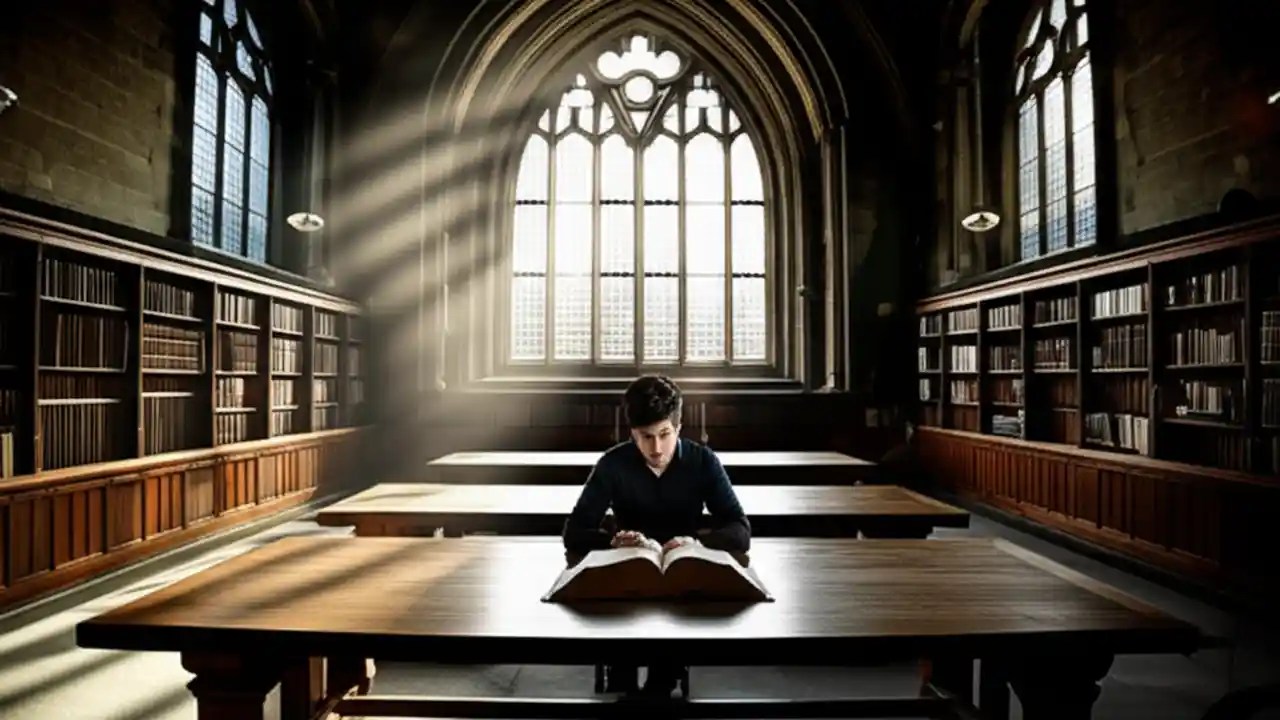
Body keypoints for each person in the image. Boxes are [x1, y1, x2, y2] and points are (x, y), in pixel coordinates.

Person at [562, 374, 751, 696]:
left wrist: (699, 543)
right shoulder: (612, 463)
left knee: (662, 672)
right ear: (632, 433)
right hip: (626, 569)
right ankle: (624, 675)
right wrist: (612, 541)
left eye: (664, 434)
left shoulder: (703, 461)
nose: (656, 448)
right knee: (625, 616)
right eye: (645, 437)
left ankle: (660, 681)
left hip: (681, 571)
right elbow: (574, 532)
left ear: (678, 427)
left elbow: (739, 530)